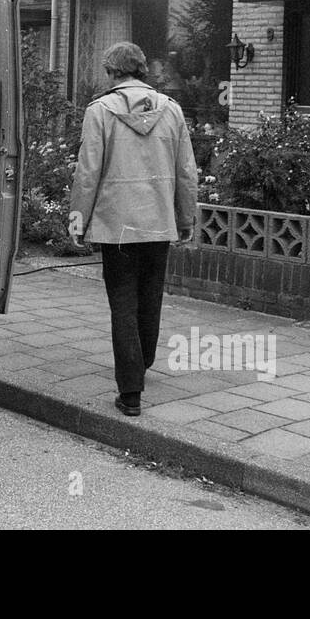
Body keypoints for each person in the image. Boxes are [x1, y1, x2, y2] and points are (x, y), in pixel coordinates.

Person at [68, 42, 198, 417]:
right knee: (150, 298)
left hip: (117, 226)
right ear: (142, 70)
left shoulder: (101, 111)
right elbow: (186, 172)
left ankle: (130, 392)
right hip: (158, 223)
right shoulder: (172, 110)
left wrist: (79, 218)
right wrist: (185, 219)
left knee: (122, 304)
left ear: (112, 73)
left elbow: (88, 171)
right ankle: (142, 362)